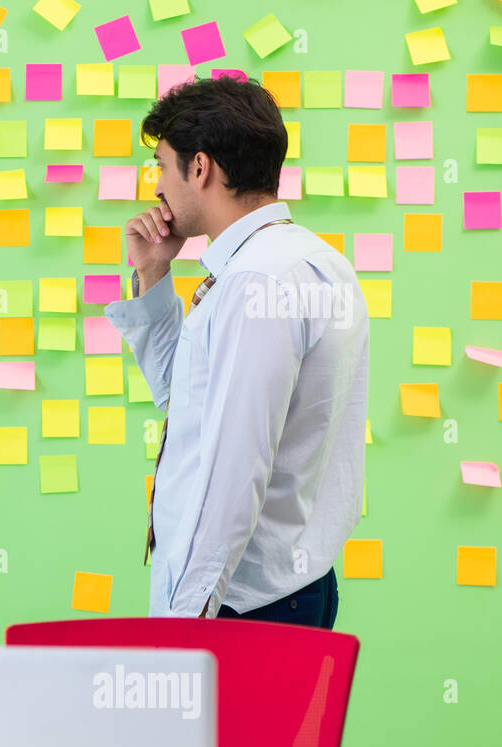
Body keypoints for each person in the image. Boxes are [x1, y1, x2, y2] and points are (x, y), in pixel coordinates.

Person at [103, 76, 369, 629]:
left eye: (161, 166)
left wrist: (184, 623)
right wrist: (153, 273)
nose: (156, 187)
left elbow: (233, 470)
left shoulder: (255, 282)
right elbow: (191, 402)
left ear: (199, 169)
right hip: (287, 587)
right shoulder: (309, 261)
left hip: (243, 605)